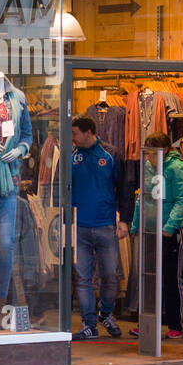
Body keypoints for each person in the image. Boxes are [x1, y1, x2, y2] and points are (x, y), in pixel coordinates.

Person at [69, 116, 133, 340]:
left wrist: (124, 220)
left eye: (75, 133)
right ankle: (89, 324)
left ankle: (105, 314)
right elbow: (61, 188)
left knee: (110, 275)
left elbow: (124, 188)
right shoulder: (71, 155)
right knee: (83, 278)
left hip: (106, 225)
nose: (72, 138)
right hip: (80, 227)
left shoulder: (111, 154)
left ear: (88, 132)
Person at [133, 133, 183, 339]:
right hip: (150, 229)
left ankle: (176, 323)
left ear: (163, 151)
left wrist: (170, 226)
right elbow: (142, 197)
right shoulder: (147, 167)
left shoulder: (176, 168)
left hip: (170, 231)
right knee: (148, 276)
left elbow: (182, 200)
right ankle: (148, 320)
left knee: (172, 277)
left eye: (152, 153)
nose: (148, 157)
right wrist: (136, 225)